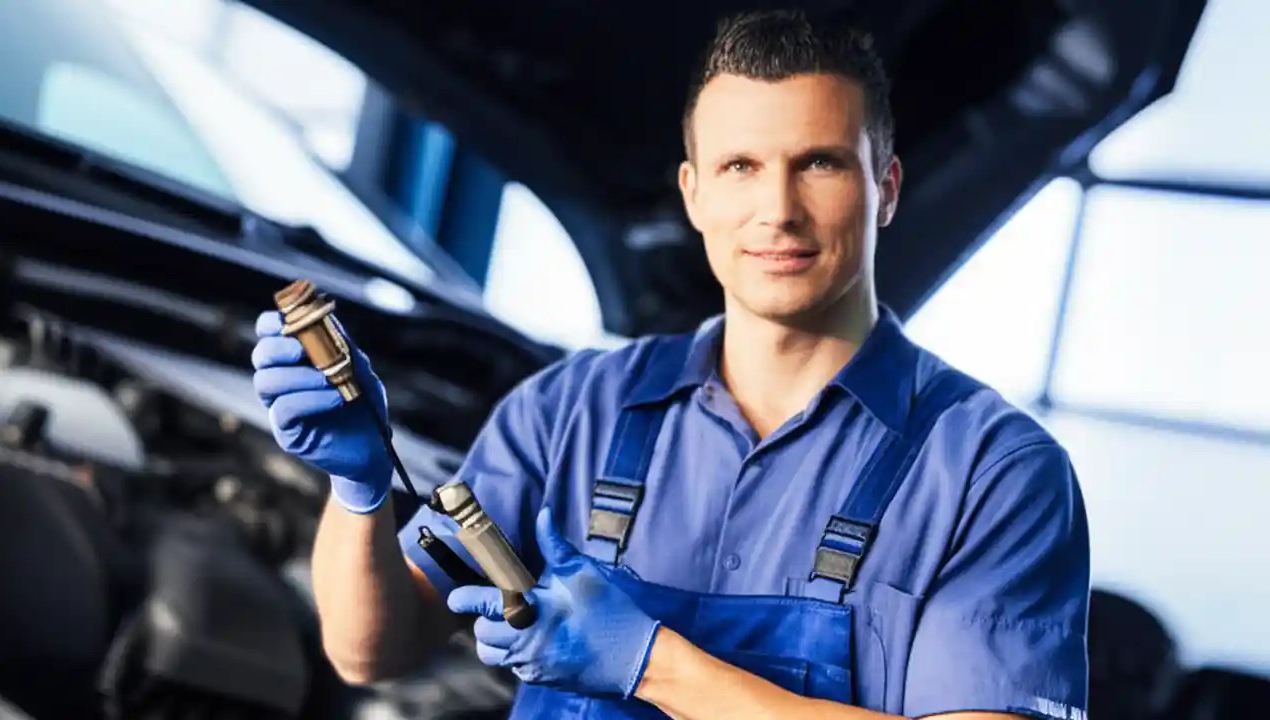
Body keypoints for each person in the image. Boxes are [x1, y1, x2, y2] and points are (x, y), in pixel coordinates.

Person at [251, 10, 1090, 720]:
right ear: (693, 193)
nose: (777, 210)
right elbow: (370, 651)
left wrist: (651, 664)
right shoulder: (571, 411)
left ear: (888, 188)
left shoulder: (993, 472)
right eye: (740, 167)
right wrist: (358, 492)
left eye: (819, 163)